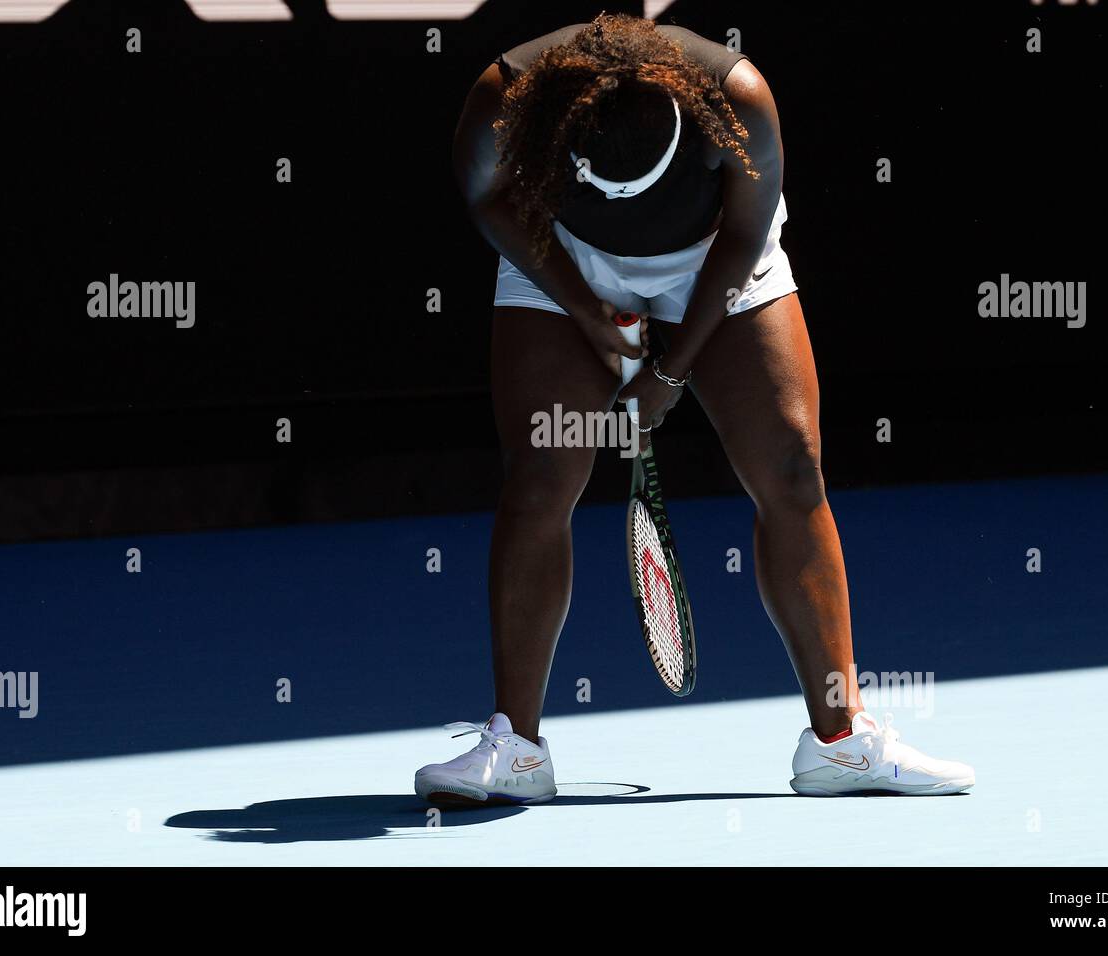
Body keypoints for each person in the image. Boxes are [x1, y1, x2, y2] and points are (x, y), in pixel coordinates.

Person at [415, 14, 973, 804]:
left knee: (791, 466)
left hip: (713, 257)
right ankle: (518, 748)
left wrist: (667, 373)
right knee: (538, 477)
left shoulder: (739, 98)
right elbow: (492, 204)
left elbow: (745, 236)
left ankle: (840, 742)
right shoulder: (502, 98)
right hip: (561, 254)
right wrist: (588, 314)